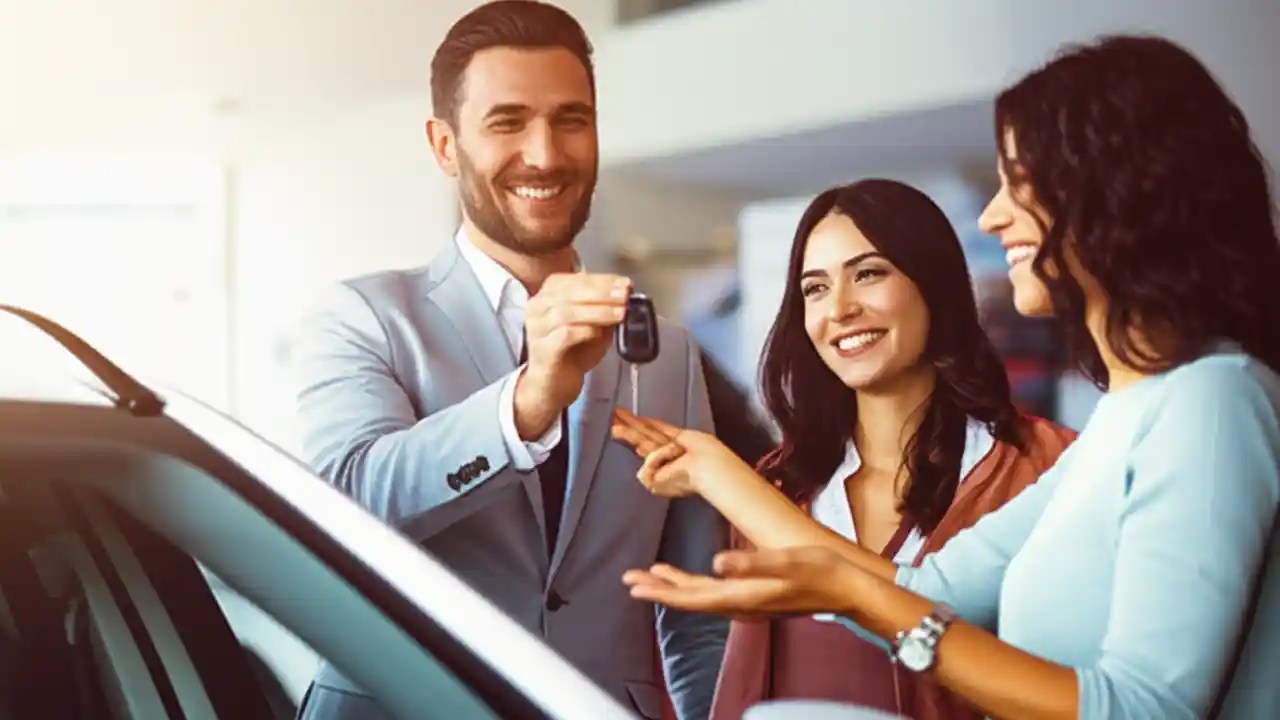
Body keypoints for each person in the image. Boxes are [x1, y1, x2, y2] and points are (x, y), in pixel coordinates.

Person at [616, 35, 1280, 720]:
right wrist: (715, 472)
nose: (993, 216)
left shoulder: (1211, 402)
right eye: (814, 288)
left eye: (1019, 184)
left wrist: (854, 595)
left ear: (1120, 193)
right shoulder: (1126, 416)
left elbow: (1145, 709)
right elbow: (932, 588)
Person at [289, 3, 727, 718]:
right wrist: (529, 402)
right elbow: (346, 508)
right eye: (507, 122)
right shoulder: (363, 317)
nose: (546, 155)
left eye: (571, 120)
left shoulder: (666, 353)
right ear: (445, 145)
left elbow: (698, 612)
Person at [613, 178, 1074, 719]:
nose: (840, 308)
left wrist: (721, 476)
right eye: (815, 289)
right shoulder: (782, 484)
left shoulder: (1040, 465)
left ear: (933, 283)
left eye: (868, 274)